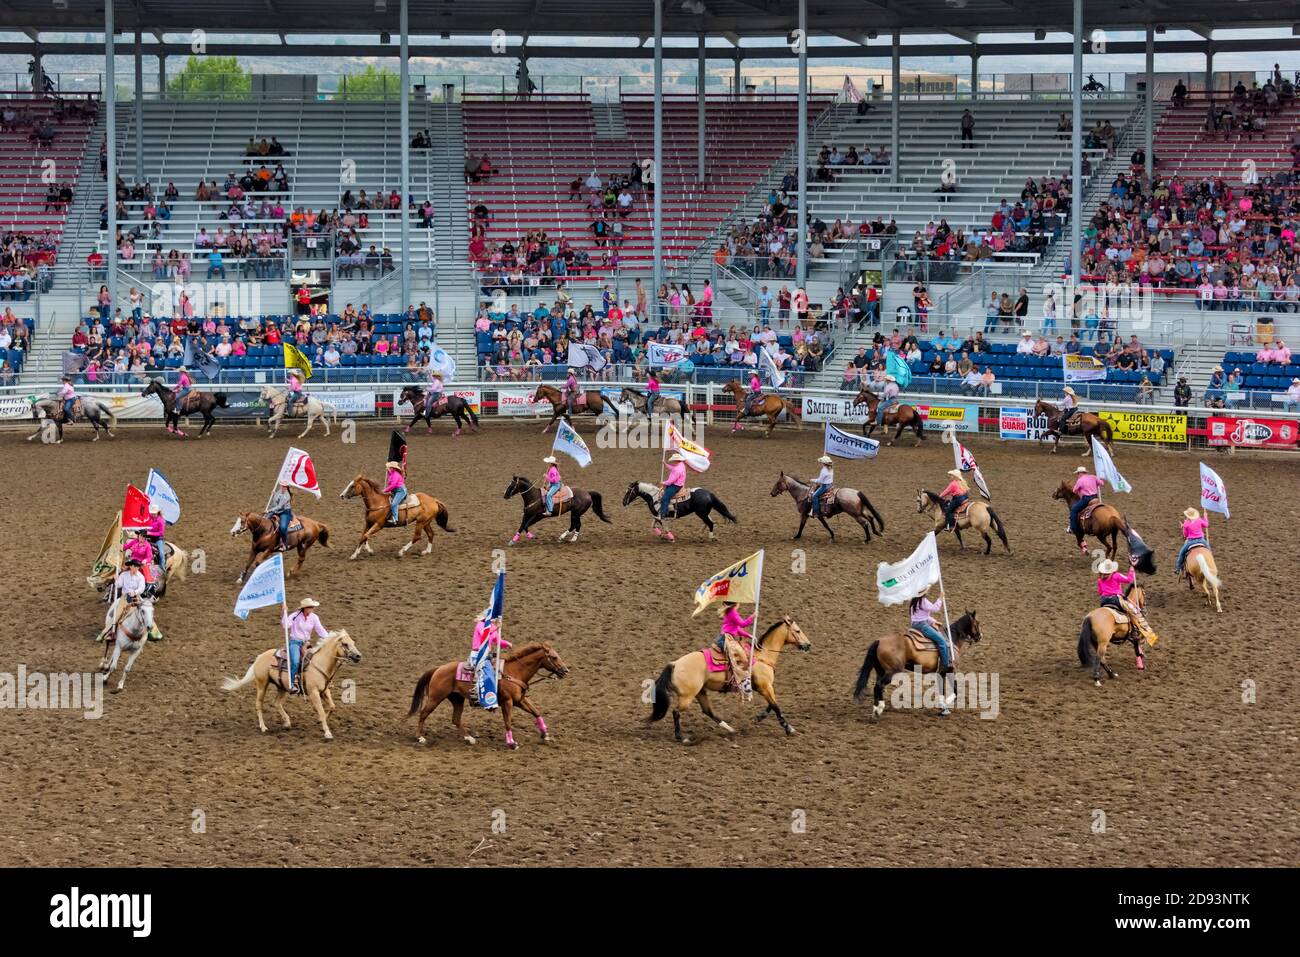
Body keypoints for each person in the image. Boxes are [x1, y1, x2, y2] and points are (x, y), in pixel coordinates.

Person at [1095, 559, 1159, 646]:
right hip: (1116, 599)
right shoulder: (1116, 575)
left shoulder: (1099, 580)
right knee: (1134, 612)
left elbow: (1100, 592)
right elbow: (1129, 579)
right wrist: (1132, 568)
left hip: (1104, 601)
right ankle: (1146, 634)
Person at [97, 557, 151, 643]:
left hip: (136, 597)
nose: (136, 568)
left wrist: (134, 592)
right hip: (125, 597)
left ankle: (151, 630)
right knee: (118, 613)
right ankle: (107, 632)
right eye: (135, 566)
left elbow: (141, 588)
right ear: (131, 566)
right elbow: (118, 585)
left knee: (147, 610)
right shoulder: (124, 575)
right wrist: (116, 580)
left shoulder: (141, 577)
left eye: (137, 567)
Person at [282, 597, 329, 694]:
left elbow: (320, 630)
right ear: (305, 608)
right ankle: (292, 683)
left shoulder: (314, 617)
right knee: (295, 661)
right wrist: (284, 612)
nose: (312, 609)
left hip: (306, 643)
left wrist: (329, 638)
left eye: (312, 607)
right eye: (310, 607)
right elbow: (285, 625)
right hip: (295, 642)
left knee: (317, 660)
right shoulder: (295, 616)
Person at [468, 606, 510, 709]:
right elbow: (484, 634)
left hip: (486, 654)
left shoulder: (491, 628)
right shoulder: (480, 625)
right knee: (488, 672)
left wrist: (508, 644)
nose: (493, 620)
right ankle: (477, 693)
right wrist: (496, 627)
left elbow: (498, 640)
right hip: (478, 654)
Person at [909, 587, 951, 672]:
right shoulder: (923, 601)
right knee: (942, 641)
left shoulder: (914, 601)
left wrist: (933, 622)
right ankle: (945, 665)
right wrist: (940, 598)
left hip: (914, 625)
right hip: (922, 626)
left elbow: (923, 616)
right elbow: (935, 608)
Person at [716, 601, 754, 694]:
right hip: (727, 639)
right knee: (743, 657)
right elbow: (742, 624)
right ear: (736, 603)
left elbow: (737, 628)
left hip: (724, 638)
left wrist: (748, 635)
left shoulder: (730, 612)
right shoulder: (732, 611)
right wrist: (752, 616)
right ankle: (743, 683)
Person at [656, 451, 687, 541]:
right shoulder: (681, 465)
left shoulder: (678, 469)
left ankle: (663, 514)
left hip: (676, 486)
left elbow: (670, 481)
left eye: (673, 460)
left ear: (676, 460)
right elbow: (673, 469)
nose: (672, 462)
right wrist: (665, 464)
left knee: (665, 498)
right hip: (680, 484)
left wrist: (663, 482)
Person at [1067, 466, 1103, 542]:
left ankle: (1073, 528)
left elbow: (1074, 490)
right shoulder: (1093, 477)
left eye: (1077, 473)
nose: (1077, 475)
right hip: (1096, 498)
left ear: (1080, 473)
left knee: (1073, 510)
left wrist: (1081, 491)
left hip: (1087, 499)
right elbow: (1101, 483)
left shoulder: (1080, 480)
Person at [1175, 506, 1211, 577]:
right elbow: (1206, 525)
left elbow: (1185, 534)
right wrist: (1205, 517)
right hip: (1201, 540)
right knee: (1209, 551)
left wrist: (1184, 528)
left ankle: (1178, 568)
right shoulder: (1199, 520)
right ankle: (1210, 563)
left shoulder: (1186, 523)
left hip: (1191, 541)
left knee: (1181, 554)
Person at [266, 482, 293, 551]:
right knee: (264, 519)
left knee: (283, 527)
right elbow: (275, 502)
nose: (282, 487)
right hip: (277, 511)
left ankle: (284, 544)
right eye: (282, 486)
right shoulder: (279, 491)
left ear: (287, 487)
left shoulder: (287, 496)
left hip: (284, 512)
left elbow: (279, 506)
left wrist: (269, 510)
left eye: (284, 486)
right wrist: (274, 495)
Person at [144, 505, 167, 573]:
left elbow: (161, 533)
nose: (153, 514)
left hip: (158, 539)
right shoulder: (149, 517)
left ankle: (162, 569)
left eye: (154, 513)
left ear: (157, 512)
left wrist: (150, 533)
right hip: (148, 537)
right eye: (152, 513)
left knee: (161, 554)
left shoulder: (161, 521)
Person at [384, 460, 407, 526]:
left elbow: (393, 485)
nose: (387, 468)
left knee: (394, 504)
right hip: (394, 491)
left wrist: (385, 490)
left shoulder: (395, 475)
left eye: (388, 467)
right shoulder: (391, 475)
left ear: (393, 468)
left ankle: (395, 519)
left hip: (400, 491)